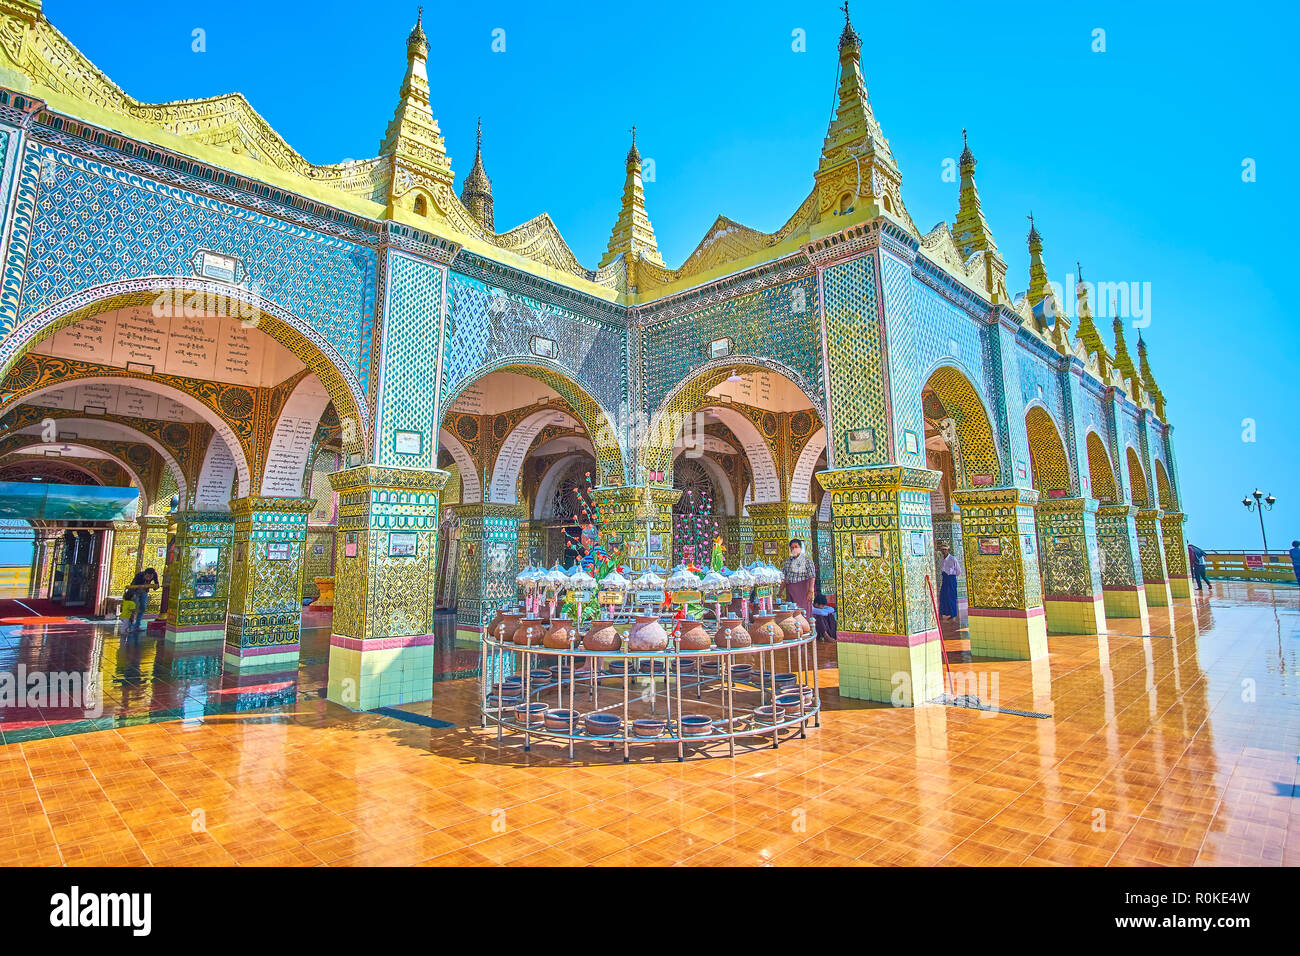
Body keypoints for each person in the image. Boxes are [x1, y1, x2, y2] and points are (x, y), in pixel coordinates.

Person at [781, 538, 817, 619]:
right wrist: (780, 592)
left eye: (796, 547)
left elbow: (812, 576)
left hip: (802, 589)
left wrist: (810, 591)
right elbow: (784, 577)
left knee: (803, 611)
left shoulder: (806, 560)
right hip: (790, 589)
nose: (794, 549)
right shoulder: (788, 561)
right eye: (792, 547)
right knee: (791, 612)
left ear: (800, 548)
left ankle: (807, 629)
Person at [124, 567, 159, 632]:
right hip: (135, 592)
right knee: (133, 608)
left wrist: (155, 586)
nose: (149, 578)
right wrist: (133, 595)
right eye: (147, 576)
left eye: (150, 577)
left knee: (143, 607)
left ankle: (137, 626)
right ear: (145, 574)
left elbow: (157, 585)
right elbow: (132, 586)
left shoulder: (154, 575)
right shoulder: (139, 575)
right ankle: (130, 626)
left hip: (144, 592)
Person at [938, 544, 960, 619]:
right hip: (945, 578)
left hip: (951, 578)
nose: (943, 551)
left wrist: (951, 575)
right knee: (943, 595)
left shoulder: (953, 559)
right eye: (942, 550)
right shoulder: (942, 559)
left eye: (945, 549)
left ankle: (953, 613)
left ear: (948, 550)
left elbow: (958, 570)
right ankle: (945, 612)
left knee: (951, 596)